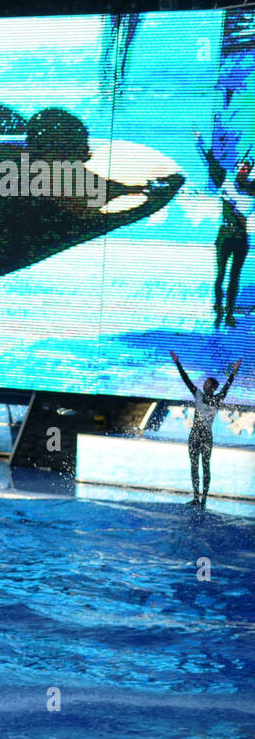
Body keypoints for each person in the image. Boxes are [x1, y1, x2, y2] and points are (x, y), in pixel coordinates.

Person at [195, 133, 253, 328]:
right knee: (220, 274)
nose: (244, 170)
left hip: (241, 238)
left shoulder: (252, 189)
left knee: (234, 277)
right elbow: (211, 163)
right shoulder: (227, 182)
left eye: (248, 168)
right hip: (225, 236)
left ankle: (229, 313)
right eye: (242, 166)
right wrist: (200, 141)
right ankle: (219, 308)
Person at [170, 349, 241, 507]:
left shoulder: (218, 398)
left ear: (214, 388)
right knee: (194, 466)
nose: (205, 385)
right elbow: (186, 379)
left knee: (205, 467)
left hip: (206, 436)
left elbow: (227, 386)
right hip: (194, 434)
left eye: (209, 384)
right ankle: (196, 497)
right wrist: (177, 363)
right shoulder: (198, 395)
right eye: (205, 383)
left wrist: (234, 371)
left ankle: (204, 499)